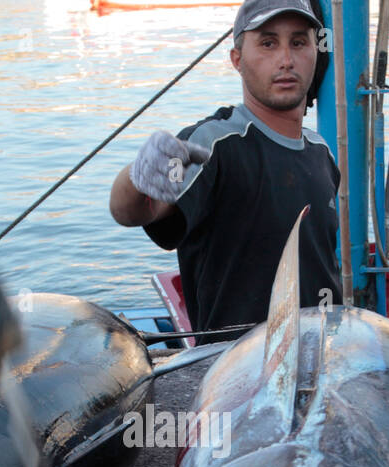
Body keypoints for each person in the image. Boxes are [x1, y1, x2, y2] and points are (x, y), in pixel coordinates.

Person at [109, 0, 342, 334]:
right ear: (237, 59)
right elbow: (131, 211)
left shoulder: (322, 153)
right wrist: (137, 179)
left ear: (315, 53)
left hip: (320, 356)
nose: (286, 60)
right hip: (235, 370)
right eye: (267, 43)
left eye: (299, 42)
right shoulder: (212, 144)